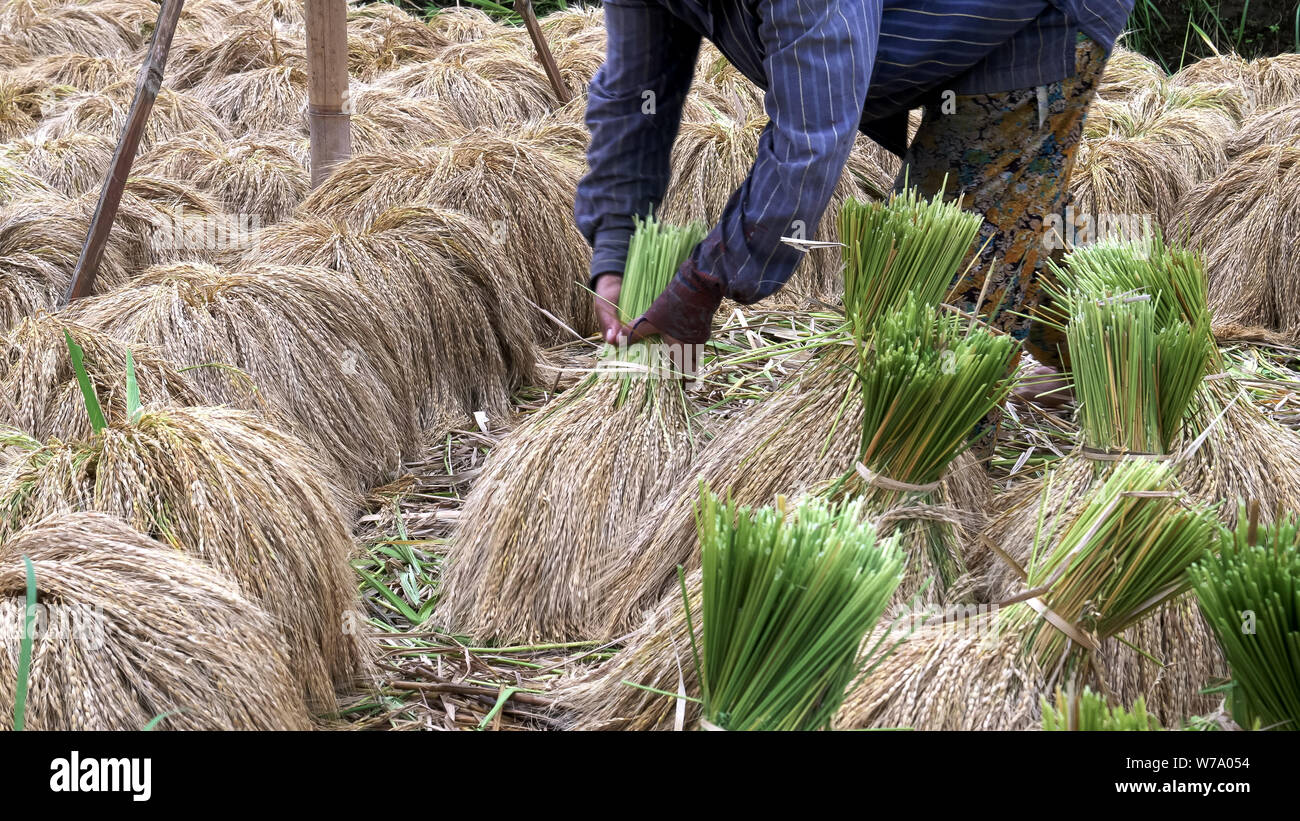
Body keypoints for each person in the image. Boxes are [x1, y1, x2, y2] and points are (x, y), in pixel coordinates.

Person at [574, 0, 1136, 395]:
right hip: (934, 25)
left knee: (938, 272)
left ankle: (932, 491)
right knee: (1010, 218)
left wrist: (705, 280)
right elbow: (634, 98)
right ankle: (1114, 348)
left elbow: (810, 139)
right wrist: (615, 252)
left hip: (1043, 18)